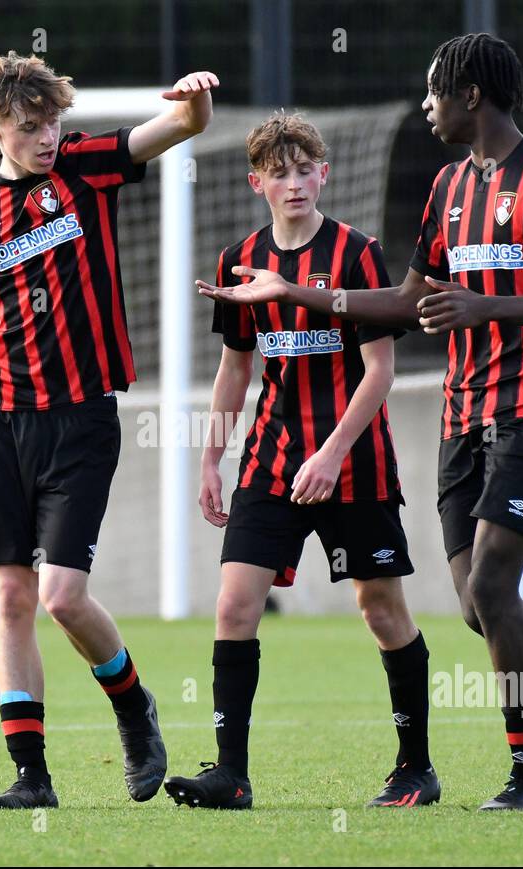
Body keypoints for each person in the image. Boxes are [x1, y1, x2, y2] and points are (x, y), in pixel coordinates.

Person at [194, 34, 523, 810]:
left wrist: (491, 307)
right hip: (463, 412)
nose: (426, 106)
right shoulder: (448, 186)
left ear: (470, 95)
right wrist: (294, 293)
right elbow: (409, 303)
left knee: (491, 582)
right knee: (481, 608)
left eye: (433, 92)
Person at [0, 51, 219, 809]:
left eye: (54, 121)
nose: (48, 136)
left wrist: (194, 103)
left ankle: (133, 706)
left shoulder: (84, 168)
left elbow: (176, 128)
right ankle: (32, 778)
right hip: (0, 418)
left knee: (60, 596)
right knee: (11, 599)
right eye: (29, 127)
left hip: (81, 418)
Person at [165, 113, 437, 811]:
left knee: (380, 609)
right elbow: (234, 370)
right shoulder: (239, 261)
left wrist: (332, 452)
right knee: (234, 603)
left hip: (354, 461)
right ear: (257, 182)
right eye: (278, 172)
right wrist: (209, 460)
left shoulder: (358, 254)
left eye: (303, 169)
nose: (293, 183)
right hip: (272, 461)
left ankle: (416, 768)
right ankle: (231, 774)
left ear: (325, 174)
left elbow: (380, 371)